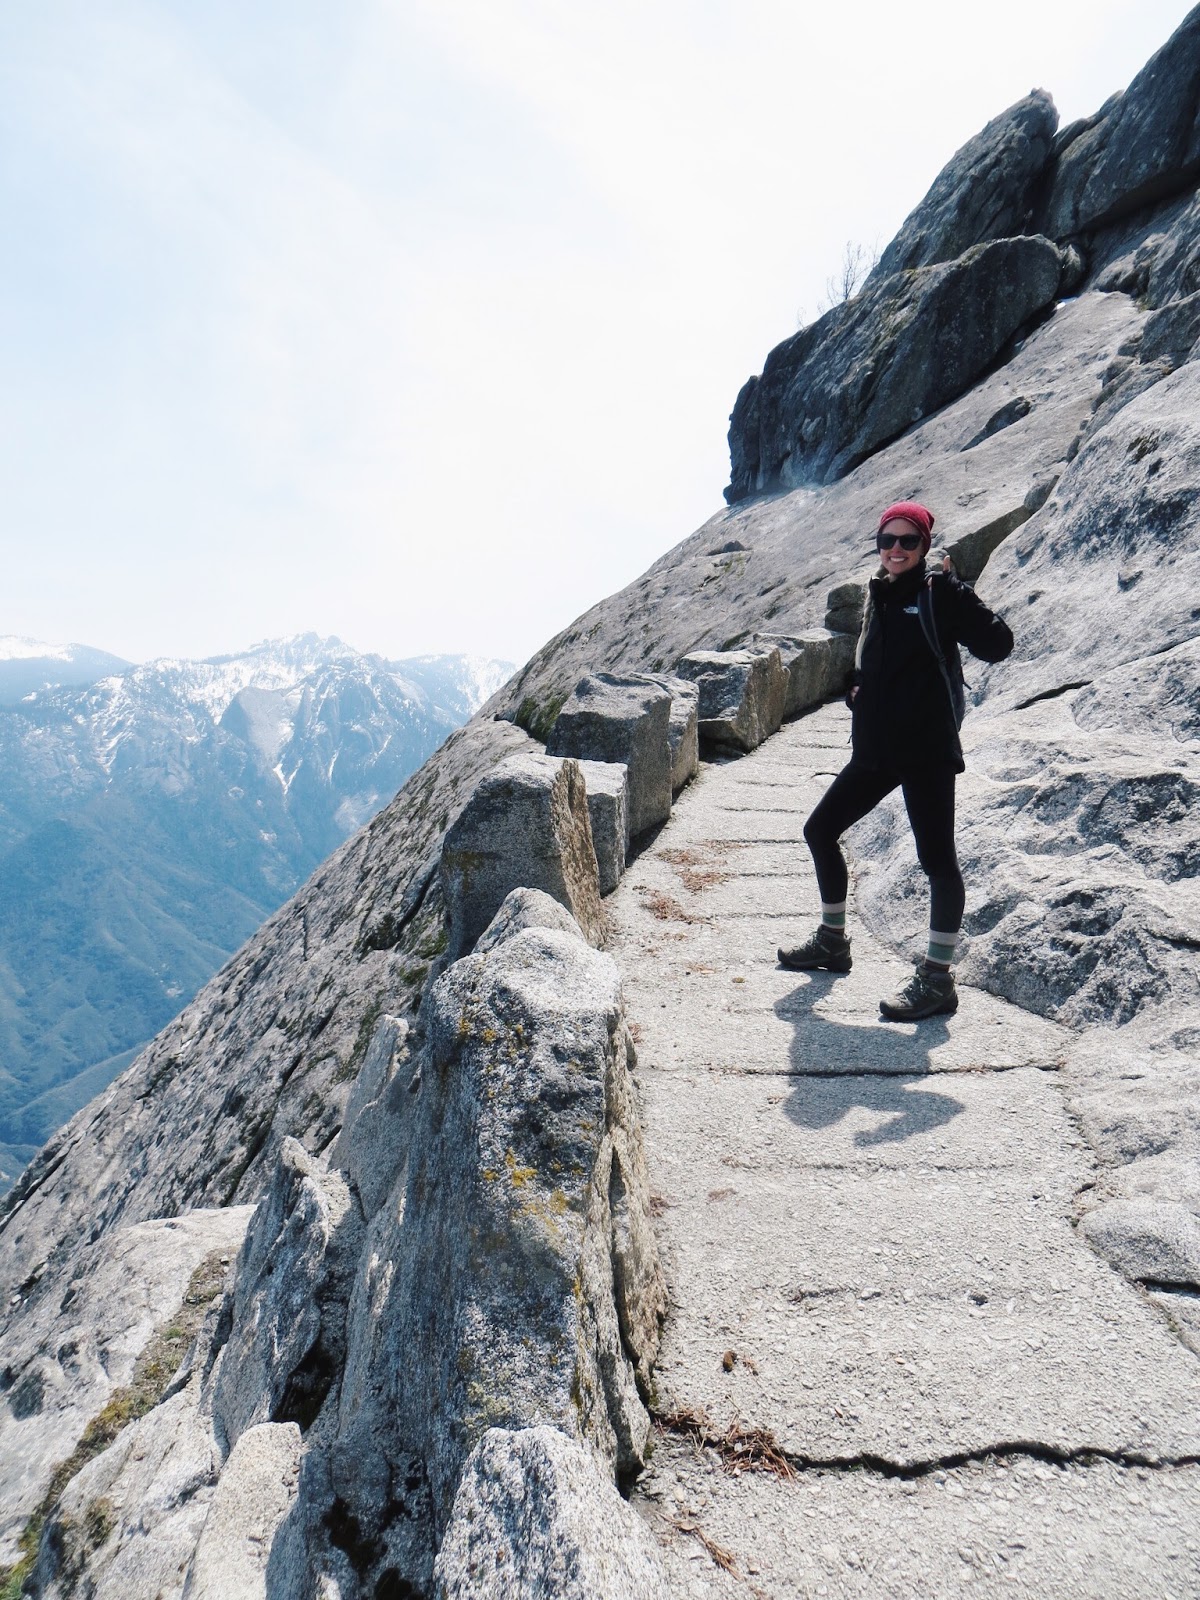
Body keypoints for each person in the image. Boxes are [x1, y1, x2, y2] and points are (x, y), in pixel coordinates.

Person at [777, 500, 1014, 1020]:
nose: (897, 550)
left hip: (926, 753)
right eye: (888, 541)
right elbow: (878, 664)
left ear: (924, 546)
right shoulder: (878, 594)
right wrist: (857, 688)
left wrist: (961, 592)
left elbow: (998, 644)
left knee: (937, 862)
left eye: (909, 541)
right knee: (819, 830)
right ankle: (833, 942)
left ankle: (936, 980)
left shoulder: (937, 594)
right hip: (876, 754)